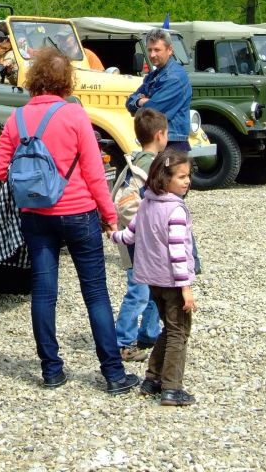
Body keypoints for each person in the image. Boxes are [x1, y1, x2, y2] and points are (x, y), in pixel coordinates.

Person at [0, 47, 140, 395]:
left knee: (44, 292)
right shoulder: (75, 116)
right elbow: (94, 173)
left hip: (36, 216)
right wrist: (109, 216)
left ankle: (51, 371)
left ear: (34, 79)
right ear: (66, 80)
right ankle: (113, 375)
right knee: (96, 293)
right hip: (78, 212)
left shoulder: (17, 119)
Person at [109, 147, 198, 407]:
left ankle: (152, 379)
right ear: (164, 178)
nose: (187, 181)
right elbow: (178, 253)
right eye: (181, 177)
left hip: (152, 281)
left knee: (168, 329)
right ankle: (172, 388)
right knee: (178, 333)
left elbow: (129, 236)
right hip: (172, 283)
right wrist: (186, 288)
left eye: (188, 176)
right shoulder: (176, 211)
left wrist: (112, 234)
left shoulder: (146, 203)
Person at [111, 107, 166, 362]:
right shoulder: (153, 166)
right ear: (160, 135)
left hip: (138, 238)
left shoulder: (133, 161)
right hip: (144, 239)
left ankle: (149, 332)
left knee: (156, 286)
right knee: (140, 289)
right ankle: (122, 340)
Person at [125, 28, 193, 152]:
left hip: (172, 144)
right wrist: (139, 101)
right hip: (156, 141)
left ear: (170, 50)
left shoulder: (175, 77)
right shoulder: (154, 75)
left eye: (157, 50)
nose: (152, 55)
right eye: (149, 49)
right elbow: (129, 102)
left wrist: (141, 102)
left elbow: (153, 110)